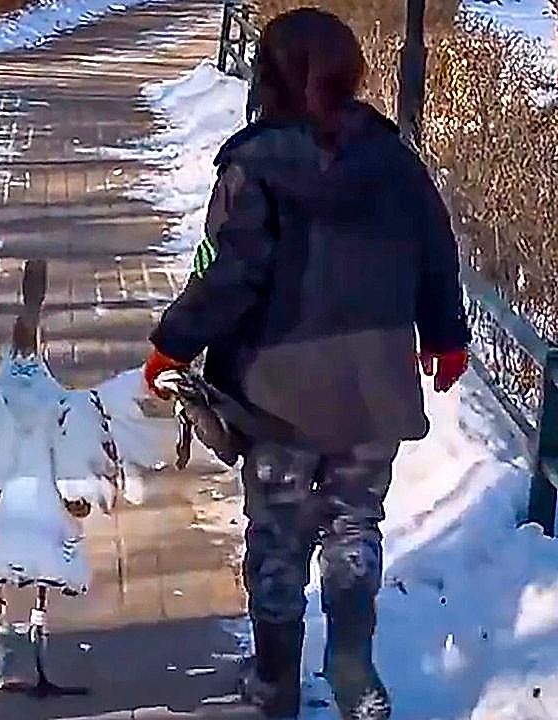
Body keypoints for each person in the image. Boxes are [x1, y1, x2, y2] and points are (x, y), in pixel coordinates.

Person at [144, 9, 470, 720]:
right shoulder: (394, 158)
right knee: (355, 527)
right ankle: (355, 677)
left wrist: (172, 341)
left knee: (278, 538)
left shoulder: (252, 165)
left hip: (277, 395)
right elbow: (435, 251)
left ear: (272, 74)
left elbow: (229, 272)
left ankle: (274, 683)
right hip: (373, 389)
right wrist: (447, 338)